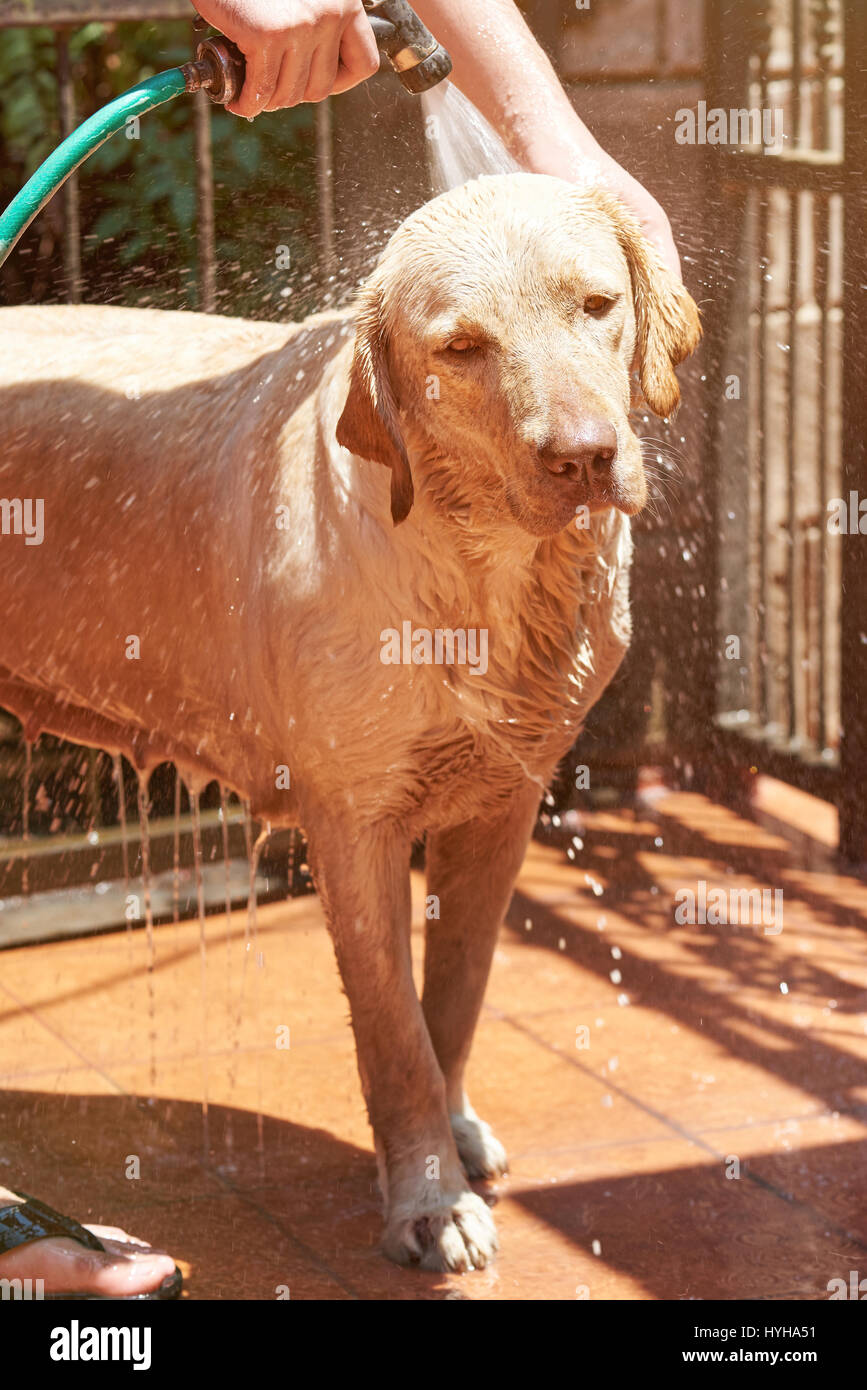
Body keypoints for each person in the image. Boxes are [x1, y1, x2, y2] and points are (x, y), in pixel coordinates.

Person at [0, 0, 681, 1299]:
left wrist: (558, 140)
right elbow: (351, 814)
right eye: (467, 352)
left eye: (596, 312)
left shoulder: (596, 576)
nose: (571, 423)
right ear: (387, 396)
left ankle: (450, 1086)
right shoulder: (358, 487)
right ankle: (411, 1136)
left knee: (500, 777)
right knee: (361, 795)